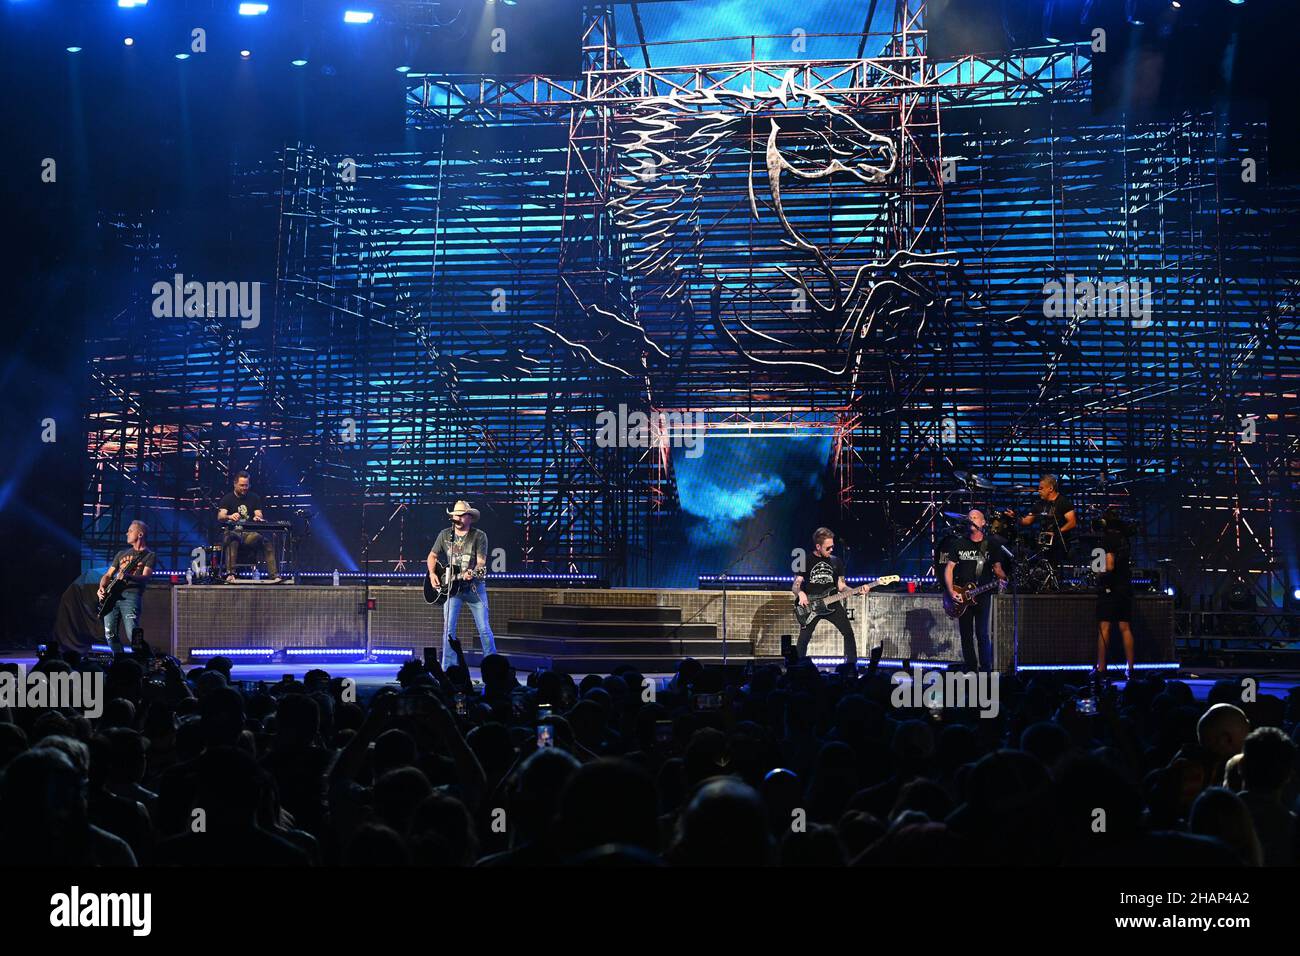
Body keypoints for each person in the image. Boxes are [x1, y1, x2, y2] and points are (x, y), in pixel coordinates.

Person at [428, 500, 497, 668]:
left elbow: (481, 563)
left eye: (460, 515)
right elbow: (432, 556)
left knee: (484, 629)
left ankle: (493, 667)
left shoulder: (479, 536)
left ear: (469, 517)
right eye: (454, 515)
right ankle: (449, 669)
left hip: (474, 589)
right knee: (448, 630)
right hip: (452, 590)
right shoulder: (445, 535)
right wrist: (432, 574)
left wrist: (472, 573)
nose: (456, 518)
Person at [942, 511, 1007, 671]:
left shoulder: (991, 544)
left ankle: (986, 669)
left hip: (982, 595)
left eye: (975, 517)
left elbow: (997, 568)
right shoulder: (959, 543)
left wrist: (1003, 578)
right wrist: (951, 591)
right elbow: (949, 568)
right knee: (966, 635)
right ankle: (971, 668)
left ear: (983, 522)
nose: (971, 519)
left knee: (982, 633)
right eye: (969, 517)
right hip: (962, 596)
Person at [792, 527, 859, 667]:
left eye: (832, 547)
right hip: (811, 606)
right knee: (804, 638)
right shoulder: (804, 560)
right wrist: (801, 593)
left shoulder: (836, 562)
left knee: (848, 633)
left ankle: (851, 666)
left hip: (832, 603)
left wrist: (855, 591)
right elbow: (795, 585)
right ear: (818, 546)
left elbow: (841, 586)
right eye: (828, 548)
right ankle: (796, 668)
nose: (831, 550)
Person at [97, 520, 156, 652]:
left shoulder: (149, 555)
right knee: (110, 634)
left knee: (132, 634)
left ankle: (147, 659)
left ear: (140, 534)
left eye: (130, 531)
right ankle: (120, 661)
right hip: (112, 596)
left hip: (131, 595)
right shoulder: (121, 554)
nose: (127, 533)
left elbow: (146, 577)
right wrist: (101, 588)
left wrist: (129, 576)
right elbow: (107, 575)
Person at [217, 470, 280, 583]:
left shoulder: (254, 497)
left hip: (249, 535)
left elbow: (258, 513)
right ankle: (231, 574)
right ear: (235, 484)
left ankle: (274, 576)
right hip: (233, 532)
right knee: (232, 540)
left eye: (246, 485)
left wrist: (258, 518)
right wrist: (230, 516)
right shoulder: (227, 498)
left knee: (266, 542)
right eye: (241, 485)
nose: (244, 488)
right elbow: (220, 516)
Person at [1094, 508, 1135, 681]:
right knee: (1125, 627)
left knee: (1104, 628)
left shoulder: (1106, 540)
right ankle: (1130, 669)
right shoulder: (1125, 539)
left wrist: (1098, 571)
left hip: (1110, 588)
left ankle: (1101, 668)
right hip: (1125, 587)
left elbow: (1109, 565)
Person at [1014, 474, 1077, 568]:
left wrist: (1056, 533)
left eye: (1041, 488)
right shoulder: (1039, 504)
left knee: (1054, 568)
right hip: (1044, 543)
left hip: (1059, 544)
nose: (1039, 491)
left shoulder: (1063, 502)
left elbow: (1072, 523)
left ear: (1050, 488)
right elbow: (1027, 521)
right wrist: (1015, 516)